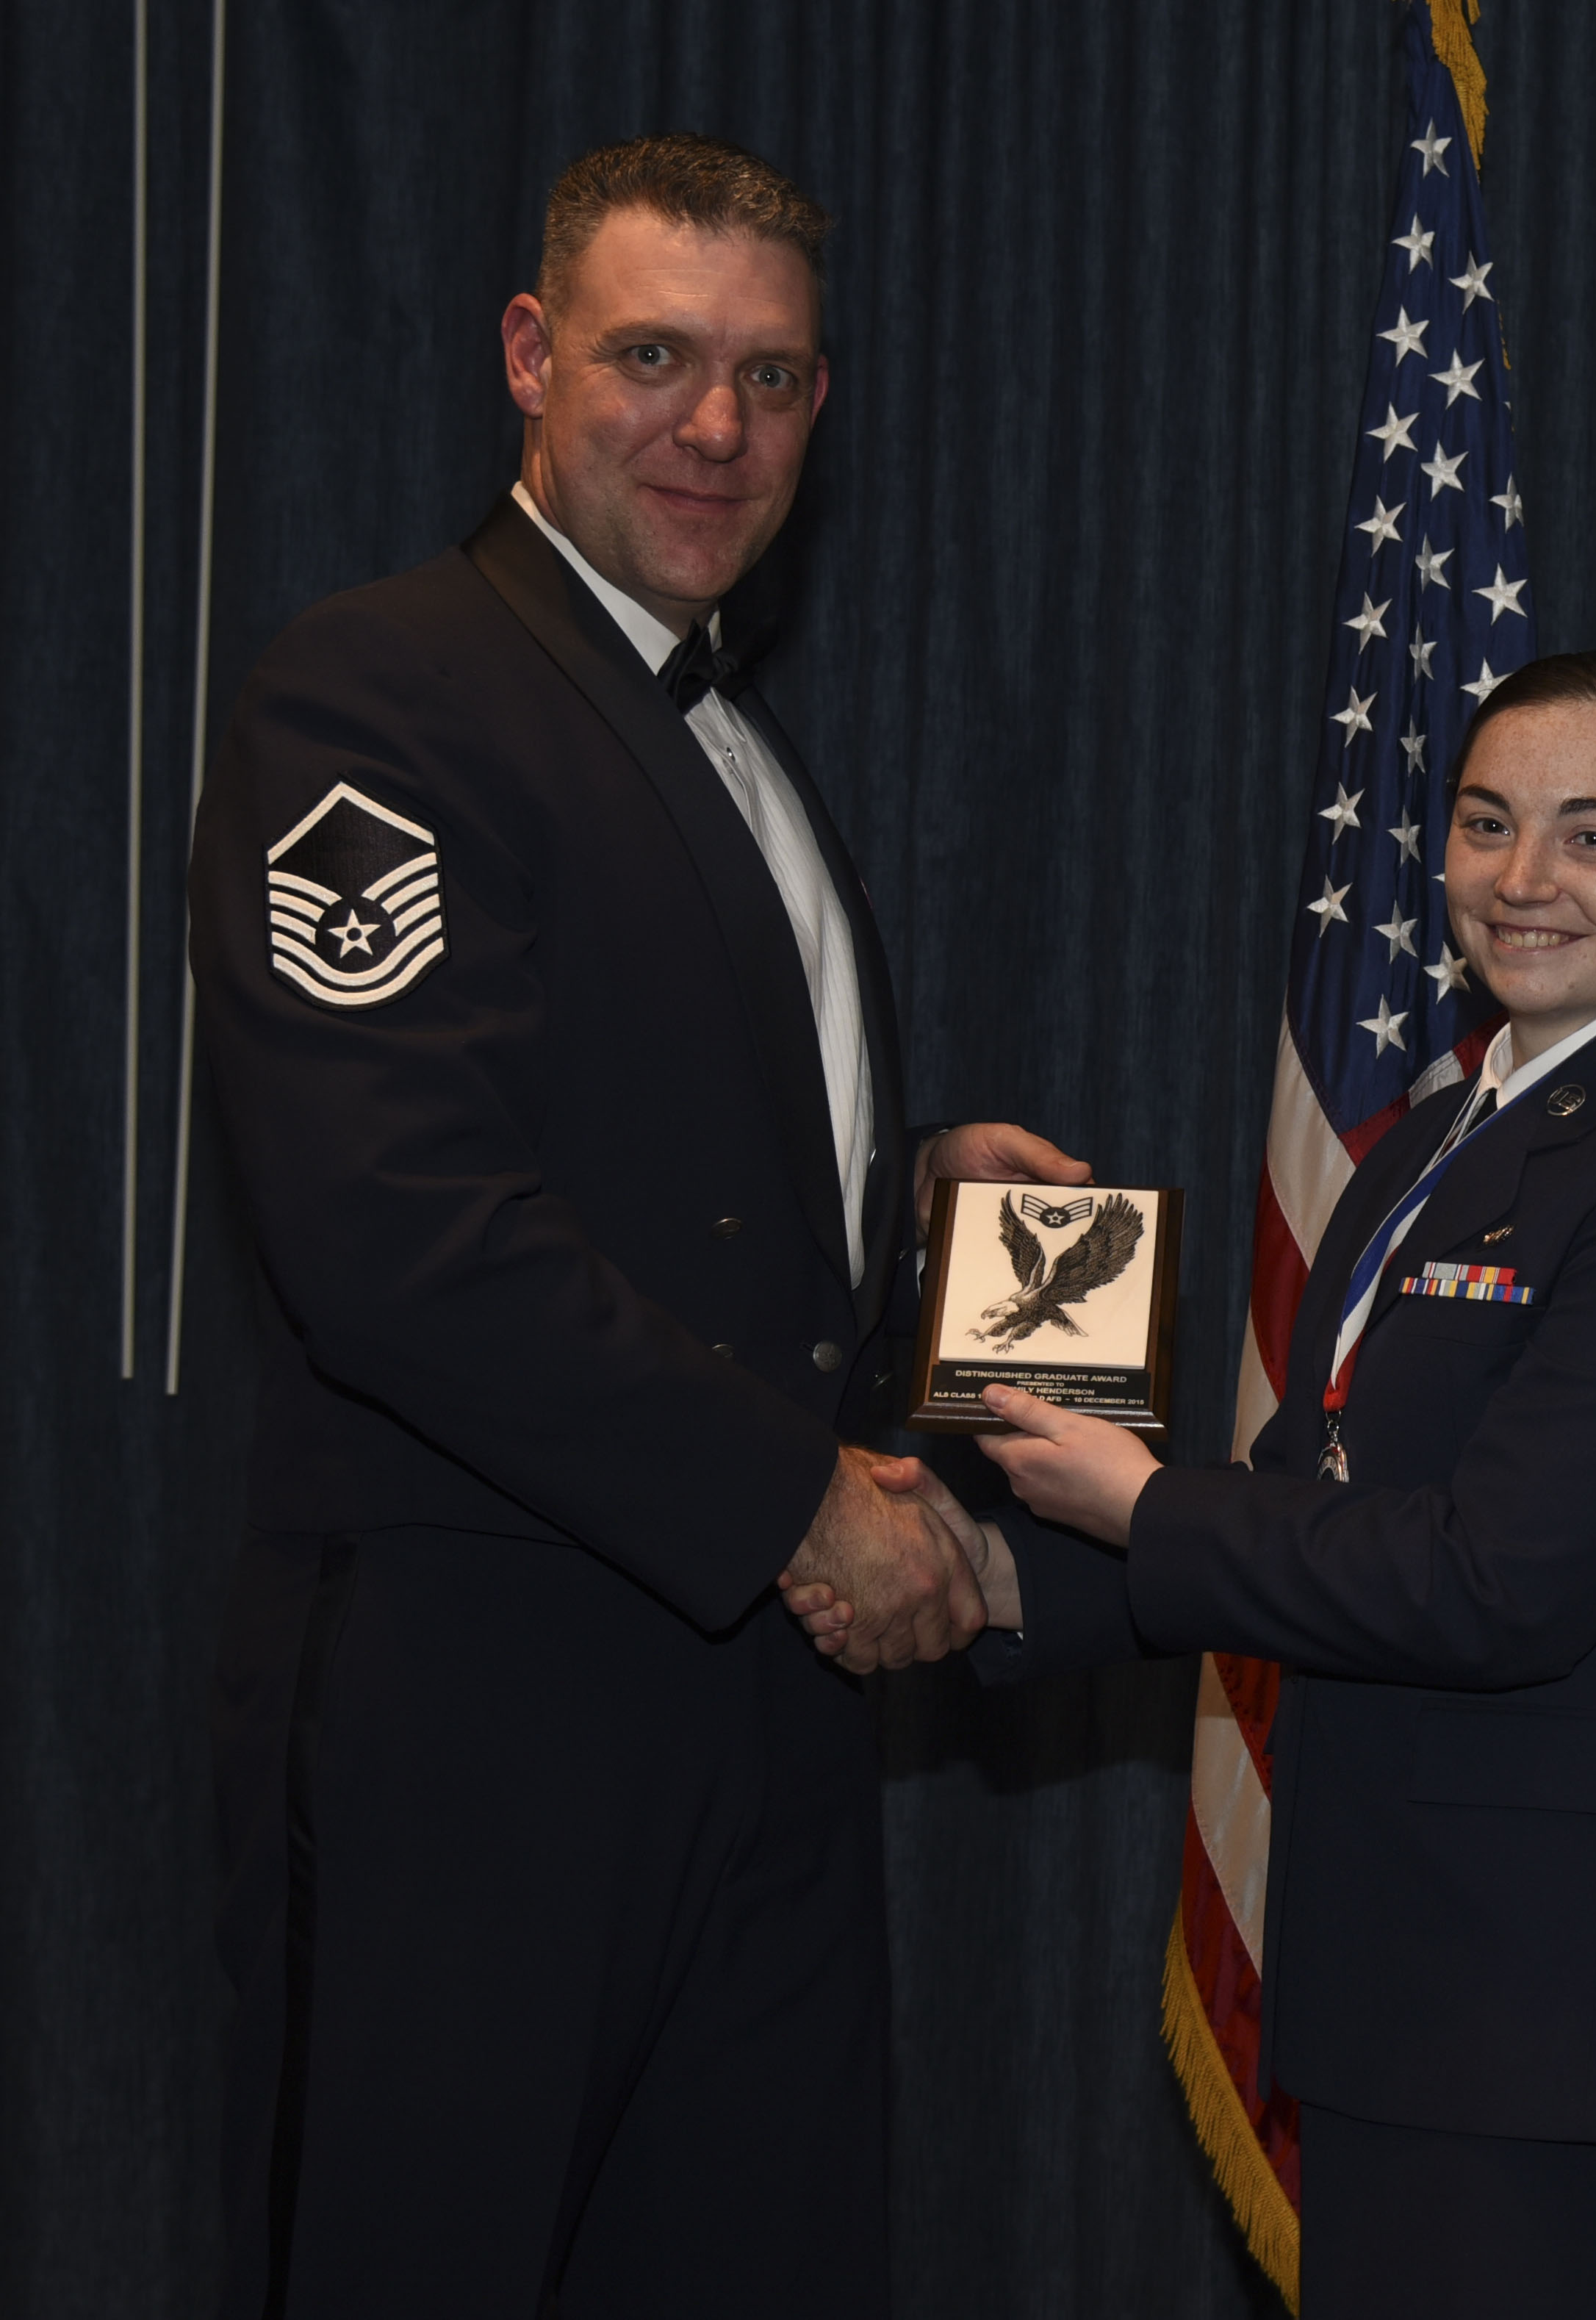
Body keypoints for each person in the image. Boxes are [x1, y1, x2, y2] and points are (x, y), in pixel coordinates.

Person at [190, 133, 1074, 2316]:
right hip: (486, 1716)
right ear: (527, 356)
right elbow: (400, 1233)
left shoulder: (748, 752)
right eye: (657, 357)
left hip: (758, 1704)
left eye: (772, 379)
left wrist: (899, 1209)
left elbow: (670, 1187)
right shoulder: (375, 689)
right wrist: (797, 1496)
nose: (716, 426)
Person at [803, 652, 1596, 2320]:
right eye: (1486, 823)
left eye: (1592, 836)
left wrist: (1139, 1508)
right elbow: (1301, 1502)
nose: (1520, 880)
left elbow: (1498, 1577)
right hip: (1407, 1991)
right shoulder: (1431, 1153)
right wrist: (994, 1573)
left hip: (1587, 2030)